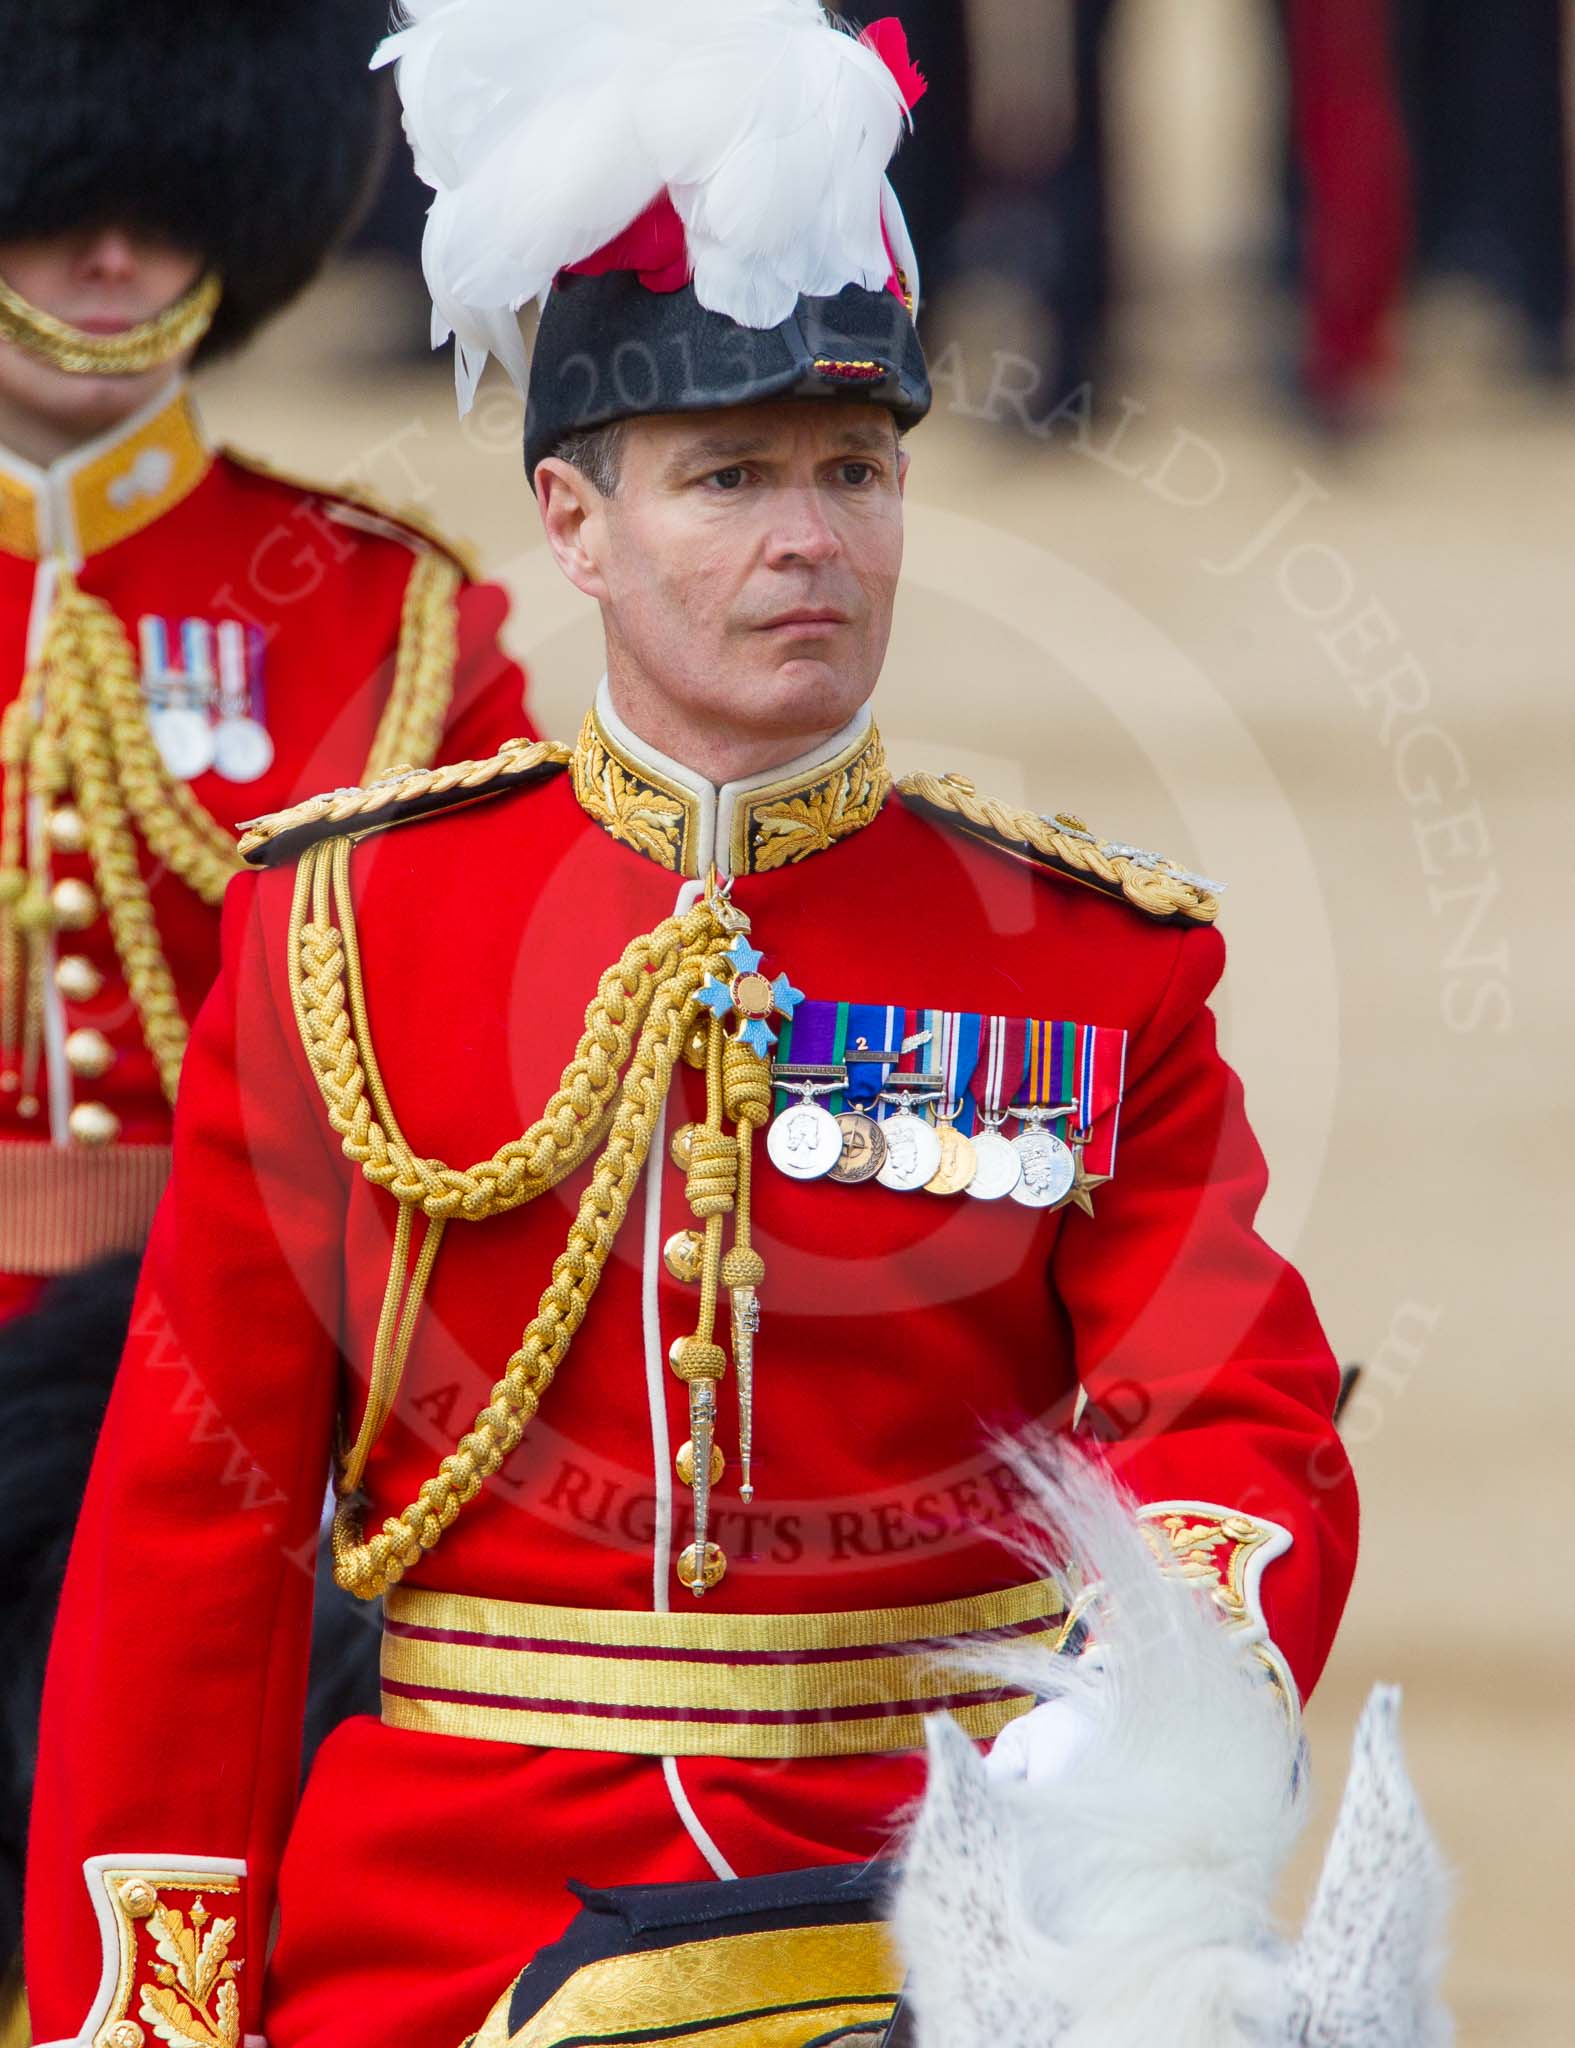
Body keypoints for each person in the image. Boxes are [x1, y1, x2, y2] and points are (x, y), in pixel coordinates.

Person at [26, 6, 1357, 2045]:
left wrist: (1138, 1780)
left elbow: (1232, 1418)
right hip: (443, 1937)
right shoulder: (347, 929)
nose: (805, 537)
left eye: (851, 470)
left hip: (922, 1906)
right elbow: (194, 1523)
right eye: (726, 476)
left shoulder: (1090, 965)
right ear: (572, 520)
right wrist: (158, 1995)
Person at [0, 0, 536, 1332]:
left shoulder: (385, 611)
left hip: (239, 1333)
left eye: (171, 209)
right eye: (51, 207)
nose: (114, 255)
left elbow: (491, 1047)